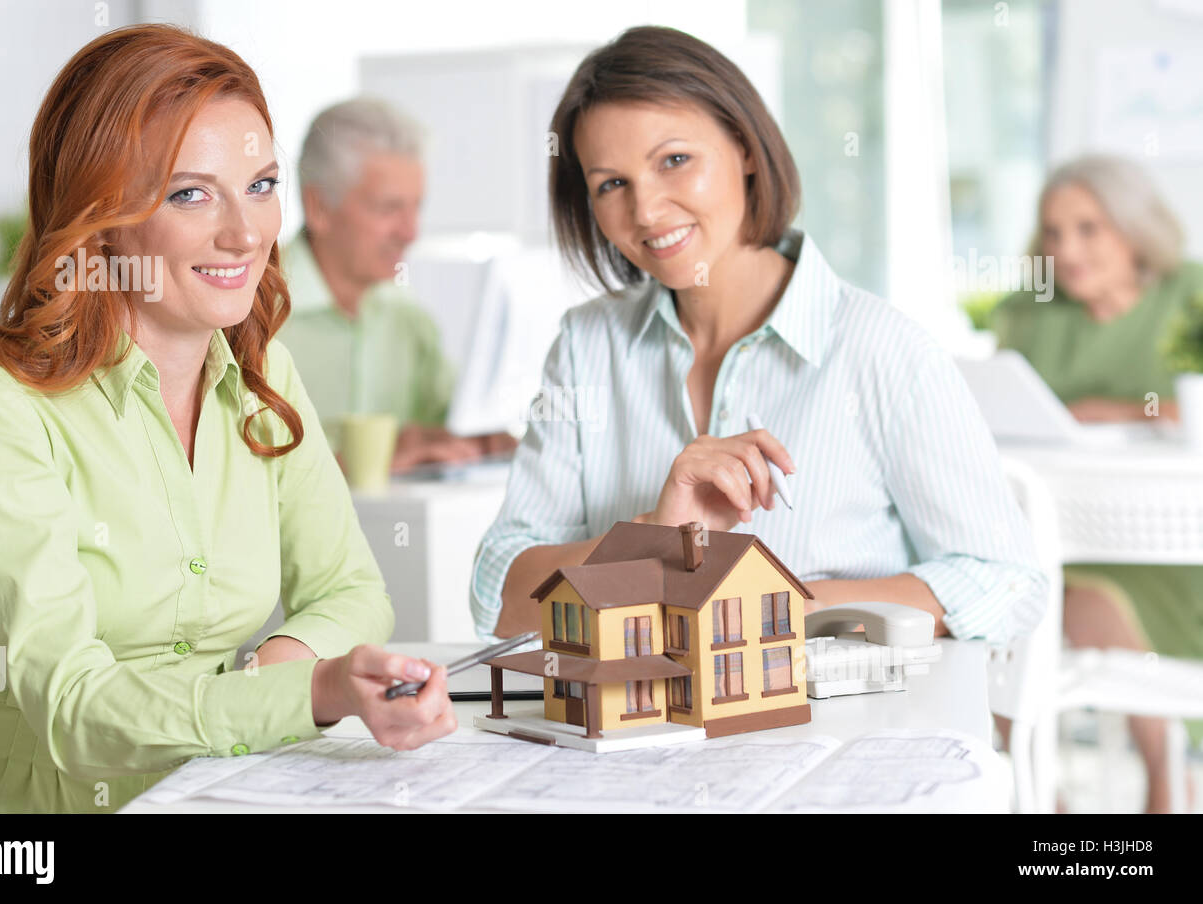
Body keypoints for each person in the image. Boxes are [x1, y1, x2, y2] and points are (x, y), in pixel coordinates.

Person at [0, 25, 455, 814]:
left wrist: (271, 677)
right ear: (100, 215)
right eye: (189, 193)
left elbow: (351, 591)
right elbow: (72, 706)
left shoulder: (264, 375)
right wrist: (311, 691)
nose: (245, 232)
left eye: (262, 185)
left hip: (199, 791)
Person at [470, 26, 1046, 652]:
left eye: (674, 161)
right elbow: (499, 597)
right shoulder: (586, 346)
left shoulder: (883, 349)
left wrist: (770, 607)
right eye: (612, 184)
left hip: (843, 730)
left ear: (744, 148)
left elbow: (1004, 581)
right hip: (636, 737)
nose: (647, 211)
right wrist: (652, 540)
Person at [992, 154, 1203, 812]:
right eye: (1053, 233)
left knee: (1087, 598)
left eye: (1089, 229)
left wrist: (1114, 411)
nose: (1068, 250)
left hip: (1170, 539)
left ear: (1135, 228)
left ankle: (1166, 774)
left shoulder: (1188, 296)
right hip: (1047, 531)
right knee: (991, 602)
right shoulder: (1030, 313)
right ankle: (1037, 796)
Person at [278, 97, 518, 474]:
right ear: (318, 208)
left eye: (416, 207)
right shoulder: (245, 315)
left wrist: (487, 440)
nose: (411, 232)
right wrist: (363, 462)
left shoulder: (409, 321)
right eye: (389, 209)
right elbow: (219, 476)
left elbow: (463, 429)